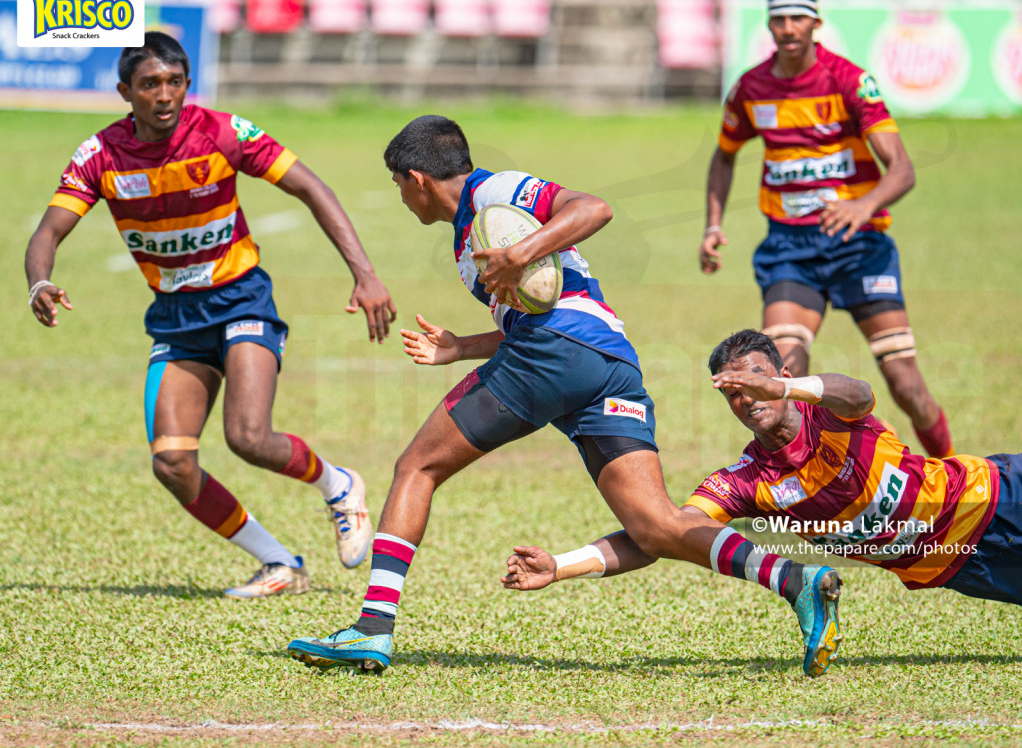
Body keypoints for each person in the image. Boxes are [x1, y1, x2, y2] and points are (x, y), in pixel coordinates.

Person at [285, 116, 843, 678]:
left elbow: (593, 208)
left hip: (558, 350)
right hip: (605, 361)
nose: (401, 198)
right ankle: (796, 580)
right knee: (654, 525)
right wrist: (461, 348)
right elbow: (539, 308)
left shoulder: (494, 192)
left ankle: (372, 628)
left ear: (417, 179)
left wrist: (521, 251)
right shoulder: (467, 235)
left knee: (416, 466)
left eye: (398, 186)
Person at [504, 329, 1022, 627]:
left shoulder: (827, 409)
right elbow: (659, 533)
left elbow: (856, 391)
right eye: (733, 392)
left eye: (756, 383)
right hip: (990, 568)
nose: (746, 400)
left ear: (784, 376)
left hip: (1007, 489)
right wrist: (565, 566)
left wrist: (789, 391)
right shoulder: (746, 483)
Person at [23, 32, 395, 598]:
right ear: (125, 91)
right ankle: (279, 563)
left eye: (175, 81)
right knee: (172, 464)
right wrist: (40, 281)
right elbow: (49, 229)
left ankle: (339, 485)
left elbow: (311, 188)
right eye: (150, 84)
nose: (165, 94)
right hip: (175, 317)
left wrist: (364, 273)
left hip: (242, 299)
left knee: (248, 436)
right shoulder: (100, 155)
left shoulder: (222, 132)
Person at [700, 0, 954, 460]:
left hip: (860, 249)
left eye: (798, 17)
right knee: (780, 376)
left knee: (905, 384)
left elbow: (901, 170)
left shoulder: (849, 80)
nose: (789, 28)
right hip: (790, 250)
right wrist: (714, 224)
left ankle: (948, 473)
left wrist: (862, 205)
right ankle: (805, 481)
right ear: (769, 25)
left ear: (815, 20)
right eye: (779, 19)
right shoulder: (752, 88)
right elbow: (724, 154)